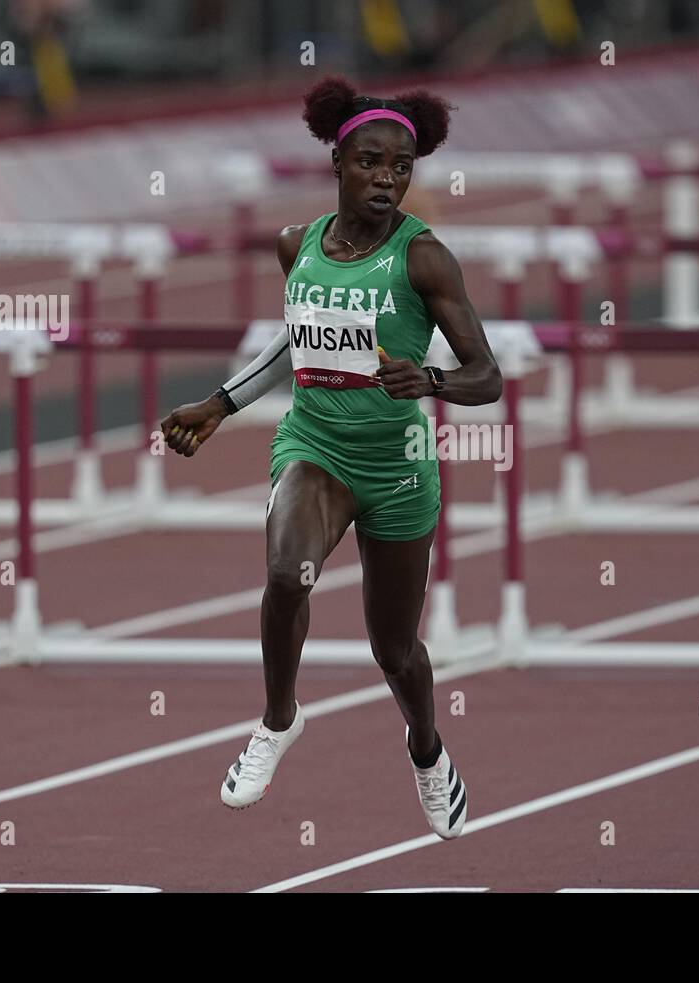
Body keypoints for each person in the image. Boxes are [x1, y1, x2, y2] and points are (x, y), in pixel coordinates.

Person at [160, 76, 502, 840]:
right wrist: (220, 404)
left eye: (401, 168)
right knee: (286, 572)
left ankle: (425, 745)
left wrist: (435, 379)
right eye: (372, 162)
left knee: (396, 649)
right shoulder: (299, 245)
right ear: (338, 162)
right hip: (316, 445)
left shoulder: (426, 260)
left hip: (397, 464)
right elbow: (298, 337)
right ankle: (278, 720)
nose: (387, 178)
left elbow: (490, 375)